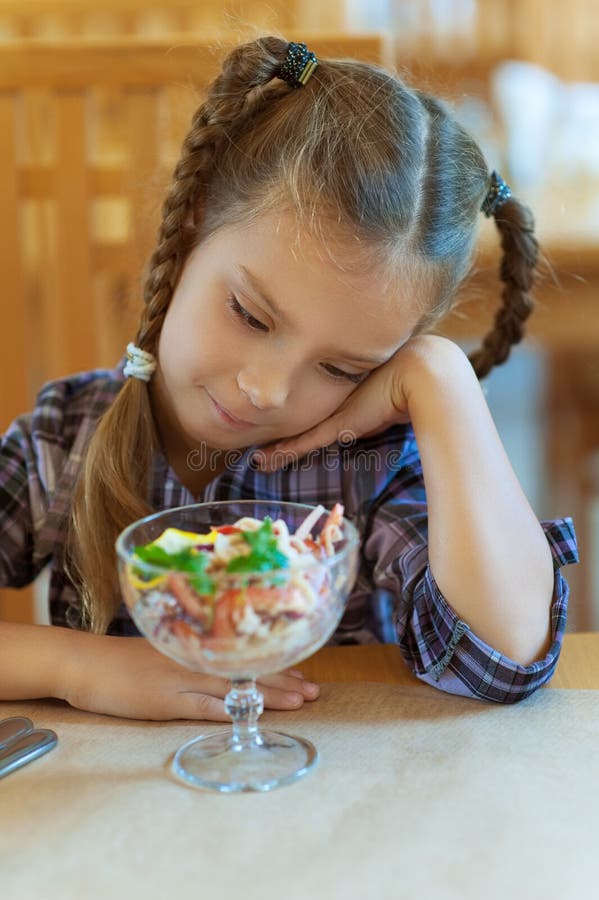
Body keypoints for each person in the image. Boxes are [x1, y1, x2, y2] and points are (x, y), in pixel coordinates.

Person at [0, 37, 578, 720]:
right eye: (249, 314)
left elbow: (501, 659)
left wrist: (439, 376)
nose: (267, 390)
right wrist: (78, 666)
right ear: (193, 222)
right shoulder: (64, 440)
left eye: (340, 368)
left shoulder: (371, 465)